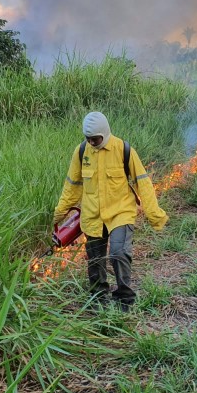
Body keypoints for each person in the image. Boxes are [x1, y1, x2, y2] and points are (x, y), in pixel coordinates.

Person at [53, 111, 169, 309]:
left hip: (120, 212)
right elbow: (72, 186)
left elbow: (143, 183)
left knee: (118, 252)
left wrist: (153, 214)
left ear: (105, 134)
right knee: (95, 259)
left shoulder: (124, 150)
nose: (91, 143)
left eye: (95, 139)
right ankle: (98, 298)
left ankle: (125, 297)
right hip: (92, 215)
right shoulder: (81, 152)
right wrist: (58, 213)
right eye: (87, 139)